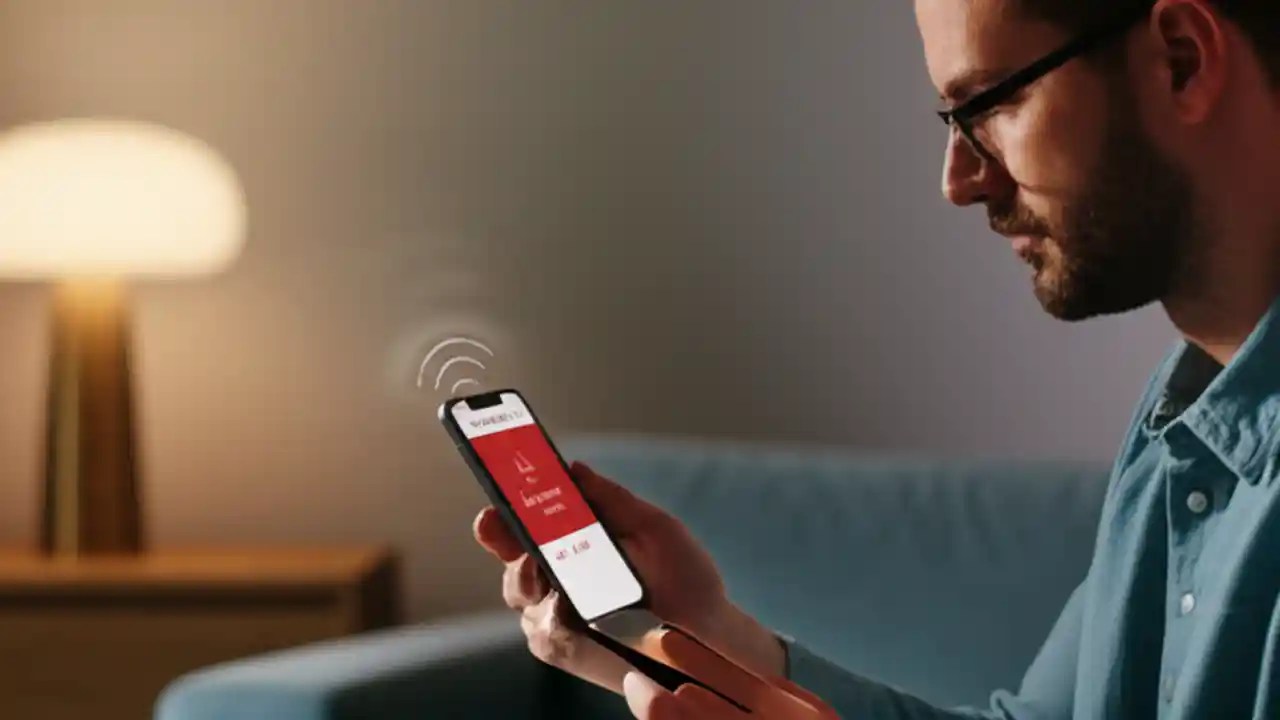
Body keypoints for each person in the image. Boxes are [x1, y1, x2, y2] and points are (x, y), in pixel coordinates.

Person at [476, 0, 1280, 716]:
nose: (959, 180)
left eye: (988, 103)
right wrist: (708, 633)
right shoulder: (1177, 430)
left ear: (1181, 60)